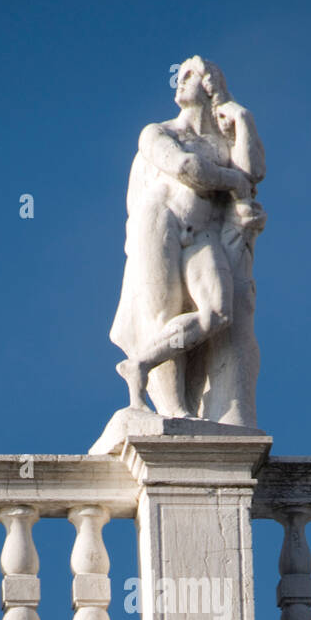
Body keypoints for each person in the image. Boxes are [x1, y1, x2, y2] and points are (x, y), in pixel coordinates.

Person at [110, 57, 265, 425]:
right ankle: (173, 410)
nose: (179, 83)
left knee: (219, 314)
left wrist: (240, 116)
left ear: (210, 85)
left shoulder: (218, 145)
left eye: (189, 76)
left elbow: (253, 171)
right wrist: (233, 182)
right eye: (178, 77)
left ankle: (140, 364)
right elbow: (185, 168)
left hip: (203, 232)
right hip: (160, 220)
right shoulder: (157, 132)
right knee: (162, 309)